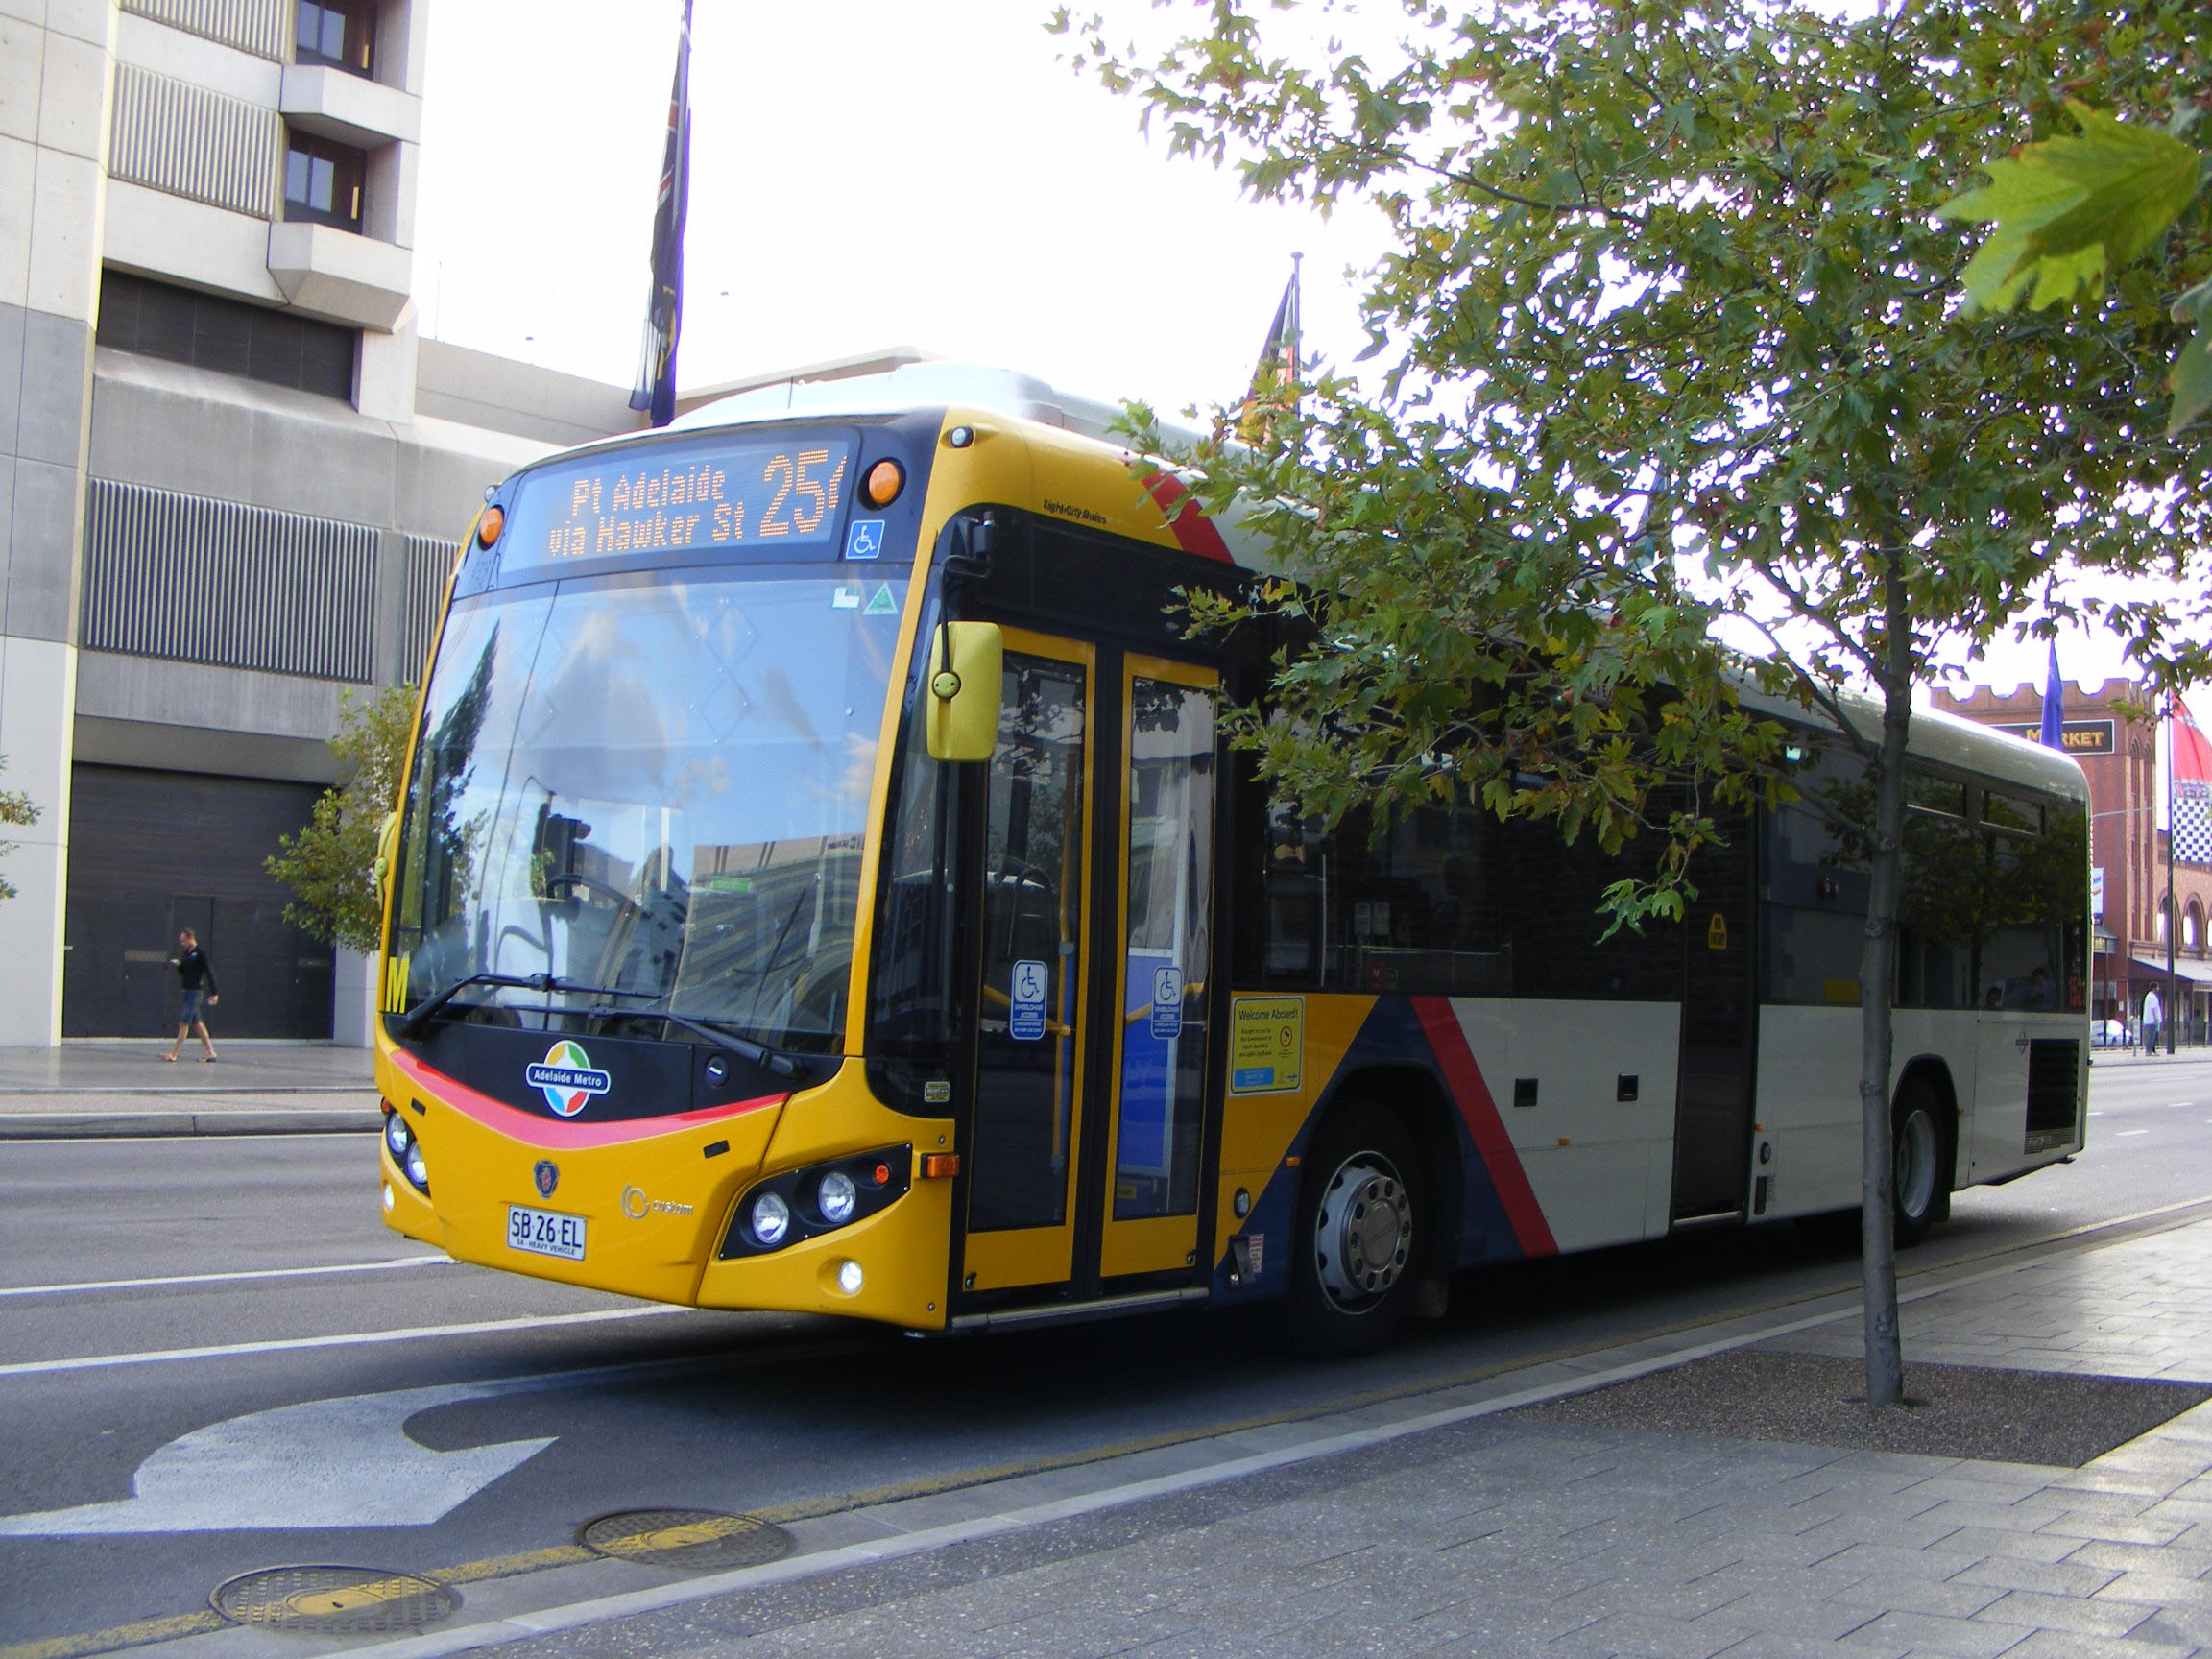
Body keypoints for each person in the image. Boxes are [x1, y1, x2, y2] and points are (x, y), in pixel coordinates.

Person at [163, 929, 219, 1062]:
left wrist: (214, 993)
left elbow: (209, 972)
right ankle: (211, 1052)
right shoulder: (187, 953)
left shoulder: (200, 953)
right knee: (197, 1024)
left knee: (183, 1023)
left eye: (183, 940)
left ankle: (173, 1054)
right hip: (186, 992)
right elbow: (184, 972)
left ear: (190, 938)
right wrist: (178, 965)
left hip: (195, 993)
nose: (182, 943)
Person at [2141, 985, 2163, 1057]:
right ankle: (2149, 1051)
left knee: (2150, 1036)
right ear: (2154, 988)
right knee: (2152, 1037)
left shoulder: (2148, 996)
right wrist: (2156, 1019)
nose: (2159, 989)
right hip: (2152, 1021)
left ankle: (2150, 1051)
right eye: (2158, 987)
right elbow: (2154, 1008)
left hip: (2148, 1020)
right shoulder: (2152, 997)